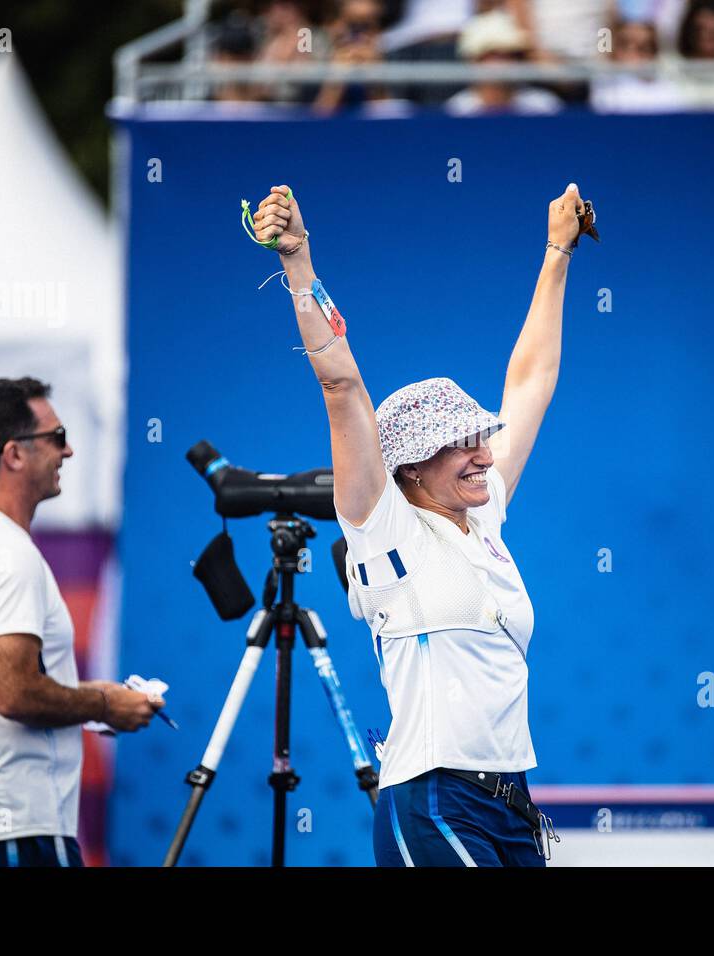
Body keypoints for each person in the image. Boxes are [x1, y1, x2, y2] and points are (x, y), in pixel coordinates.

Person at [248, 180, 589, 865]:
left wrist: (556, 253)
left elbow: (531, 380)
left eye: (481, 438)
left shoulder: (483, 510)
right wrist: (297, 262)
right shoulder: (382, 528)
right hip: (433, 802)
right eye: (461, 443)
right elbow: (341, 385)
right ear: (408, 465)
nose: (483, 455)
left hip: (512, 804)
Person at [0, 377, 161, 866]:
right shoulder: (7, 552)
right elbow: (14, 692)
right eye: (57, 436)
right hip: (13, 827)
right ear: (15, 454)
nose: (68, 451)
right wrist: (106, 705)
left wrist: (93, 697)